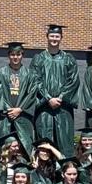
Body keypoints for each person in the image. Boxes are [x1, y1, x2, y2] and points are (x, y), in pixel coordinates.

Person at [30, 24, 79, 154]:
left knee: (65, 142)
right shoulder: (38, 59)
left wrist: (61, 98)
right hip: (44, 108)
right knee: (44, 144)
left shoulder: (68, 59)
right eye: (52, 36)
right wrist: (48, 98)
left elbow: (73, 81)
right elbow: (35, 80)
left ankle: (65, 173)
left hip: (63, 107)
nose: (54, 39)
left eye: (57, 36)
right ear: (47, 37)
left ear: (61, 37)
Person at [0, 42, 39, 160]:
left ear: (22, 55)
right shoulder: (1, 73)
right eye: (13, 54)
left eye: (18, 54)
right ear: (8, 56)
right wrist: (8, 109)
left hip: (23, 116)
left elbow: (32, 94)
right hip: (5, 116)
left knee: (24, 145)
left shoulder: (30, 74)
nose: (15, 57)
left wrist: (19, 109)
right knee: (5, 146)